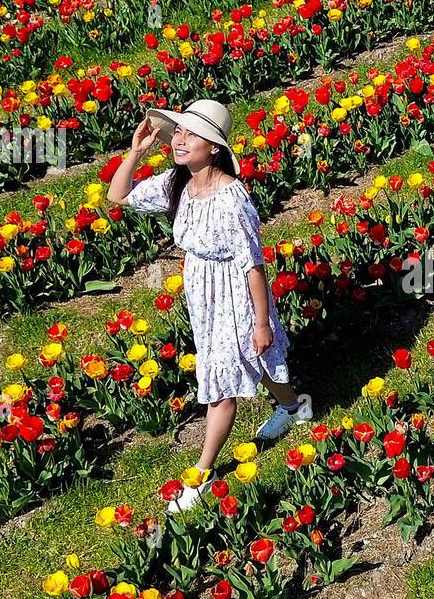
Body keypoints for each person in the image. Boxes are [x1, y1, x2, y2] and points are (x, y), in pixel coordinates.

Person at [107, 99, 310, 513]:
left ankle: (201, 474)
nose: (179, 141)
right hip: (203, 294)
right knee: (258, 363)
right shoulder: (177, 182)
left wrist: (261, 321)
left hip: (236, 293)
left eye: (190, 135)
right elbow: (118, 195)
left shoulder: (232, 198)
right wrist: (136, 152)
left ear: (214, 147)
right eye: (177, 133)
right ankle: (293, 407)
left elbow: (253, 264)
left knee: (225, 381)